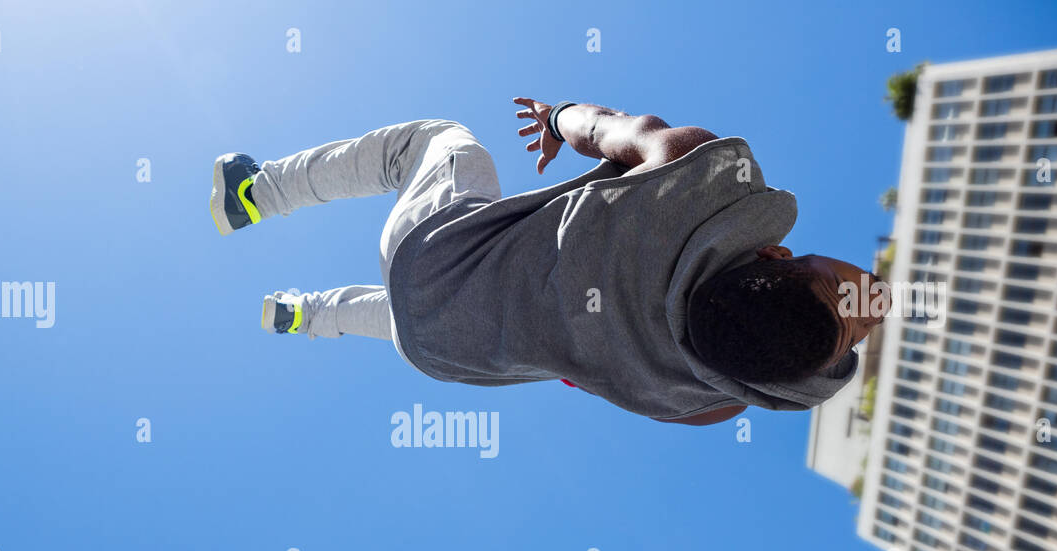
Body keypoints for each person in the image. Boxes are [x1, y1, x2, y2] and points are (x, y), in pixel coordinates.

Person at [208, 99, 885, 425]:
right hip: (448, 353)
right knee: (398, 319)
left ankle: (257, 193)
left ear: (775, 253)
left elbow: (604, 128)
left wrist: (556, 116)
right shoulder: (704, 402)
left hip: (435, 255)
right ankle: (301, 315)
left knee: (435, 141)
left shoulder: (692, 175)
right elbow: (787, 375)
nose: (863, 312)